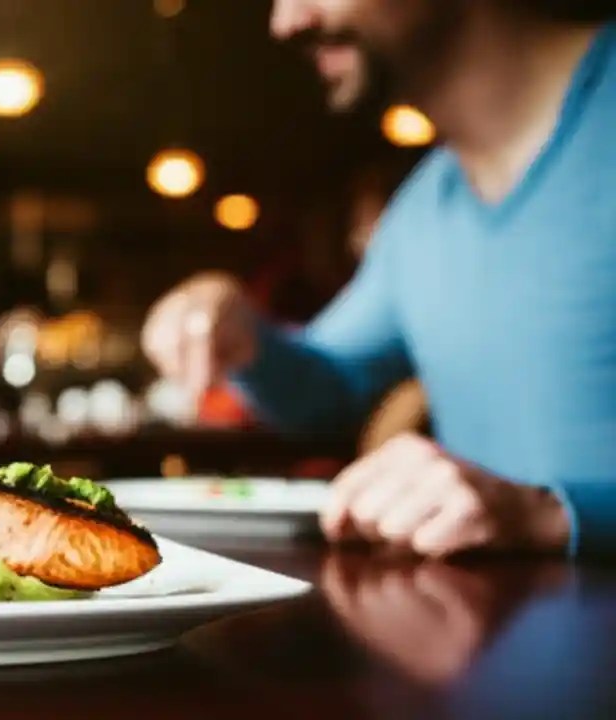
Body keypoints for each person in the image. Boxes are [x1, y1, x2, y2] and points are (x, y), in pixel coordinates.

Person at [143, 0, 616, 557]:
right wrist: (241, 332)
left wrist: (553, 515)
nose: (286, 21)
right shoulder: (426, 207)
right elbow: (328, 387)